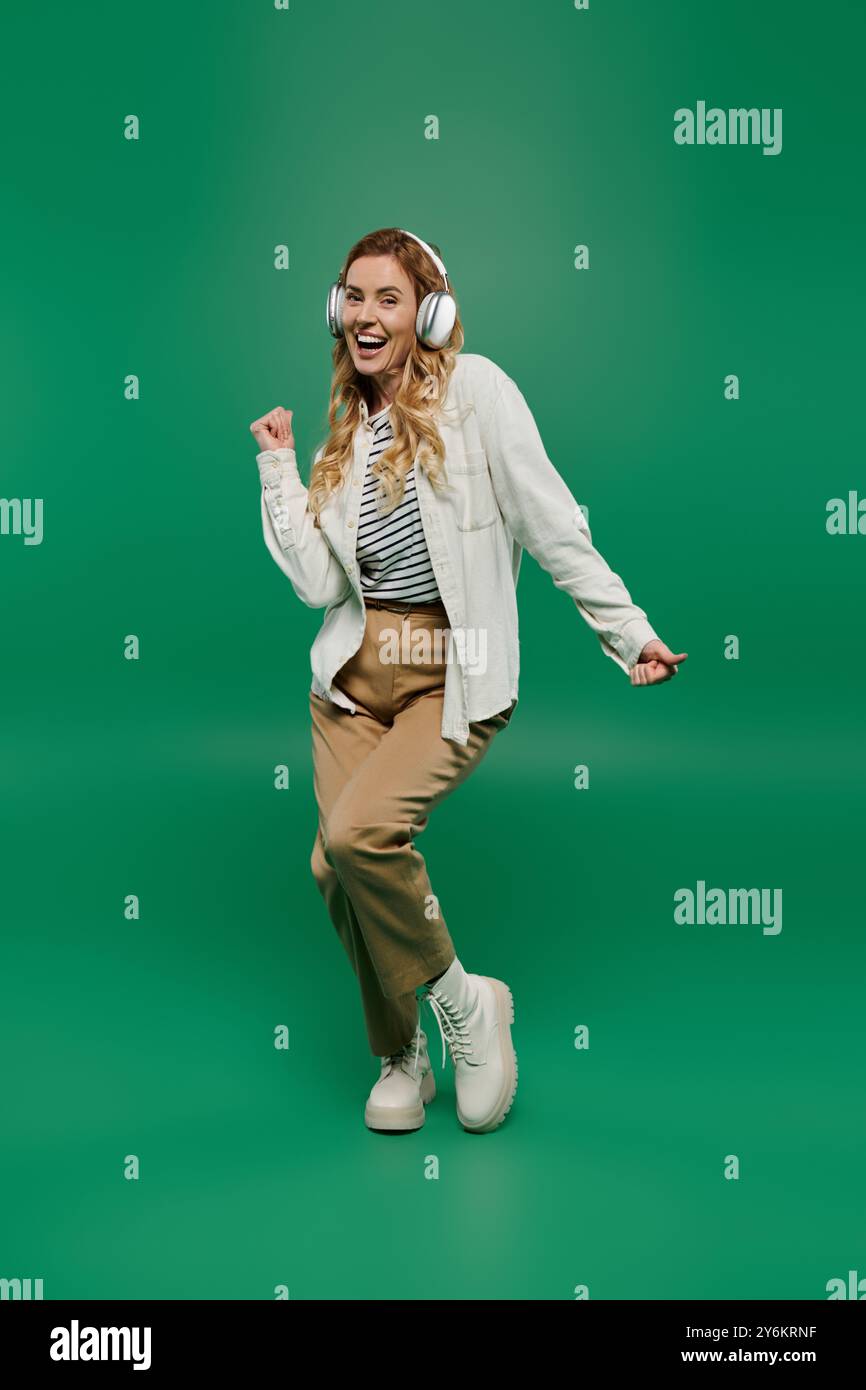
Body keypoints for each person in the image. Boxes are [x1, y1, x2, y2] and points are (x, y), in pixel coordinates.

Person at [250, 227, 686, 1137]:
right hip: (353, 679)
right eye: (353, 297)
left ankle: (463, 1004)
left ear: (430, 313)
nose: (367, 316)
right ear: (338, 311)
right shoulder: (353, 432)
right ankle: (400, 1053)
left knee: (365, 835)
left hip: (453, 669)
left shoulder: (478, 393)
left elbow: (551, 522)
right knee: (334, 864)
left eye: (389, 298)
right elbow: (317, 587)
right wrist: (276, 470)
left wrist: (628, 630)